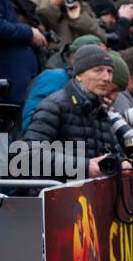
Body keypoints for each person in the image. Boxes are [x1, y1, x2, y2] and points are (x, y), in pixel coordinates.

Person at [21, 45, 127, 180]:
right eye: (98, 70)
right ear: (79, 75)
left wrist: (122, 162)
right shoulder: (54, 105)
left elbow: (111, 151)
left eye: (110, 71)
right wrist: (84, 167)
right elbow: (29, 155)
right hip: (58, 197)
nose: (106, 77)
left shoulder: (100, 110)